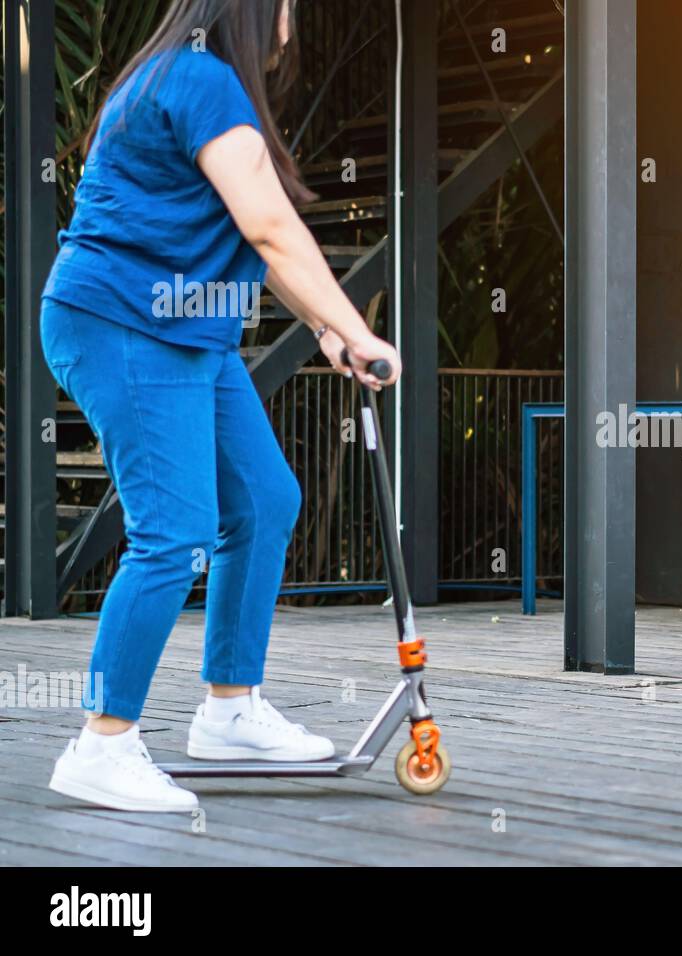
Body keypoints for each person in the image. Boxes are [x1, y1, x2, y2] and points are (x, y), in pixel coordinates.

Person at [41, 0, 400, 813]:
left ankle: (230, 709)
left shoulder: (186, 79)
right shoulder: (201, 82)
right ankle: (102, 742)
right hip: (122, 321)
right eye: (284, 6)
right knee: (173, 531)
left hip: (183, 328)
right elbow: (273, 226)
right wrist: (354, 325)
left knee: (265, 500)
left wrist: (326, 328)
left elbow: (253, 233)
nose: (291, 21)